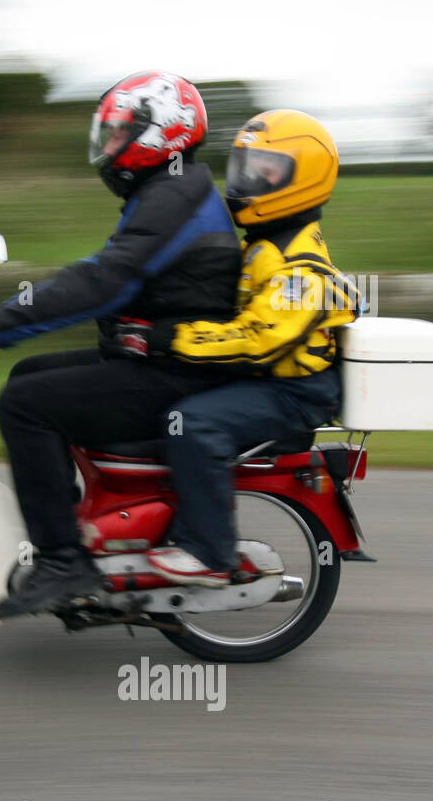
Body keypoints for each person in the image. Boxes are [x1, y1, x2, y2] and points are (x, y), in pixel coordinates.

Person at [0, 70, 244, 617]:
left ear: (161, 133)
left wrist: (0, 323)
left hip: (179, 370)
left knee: (25, 405)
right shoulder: (173, 191)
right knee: (28, 378)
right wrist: (6, 315)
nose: (108, 146)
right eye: (107, 134)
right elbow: (103, 275)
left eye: (119, 132)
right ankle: (78, 523)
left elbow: (106, 281)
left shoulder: (174, 195)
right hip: (163, 358)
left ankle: (64, 561)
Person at [136, 110, 360, 586]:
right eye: (245, 166)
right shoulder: (264, 244)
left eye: (267, 169)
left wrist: (170, 340)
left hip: (296, 393)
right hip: (270, 380)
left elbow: (258, 339)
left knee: (195, 424)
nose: (249, 179)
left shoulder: (301, 270)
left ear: (306, 177)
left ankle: (210, 552)